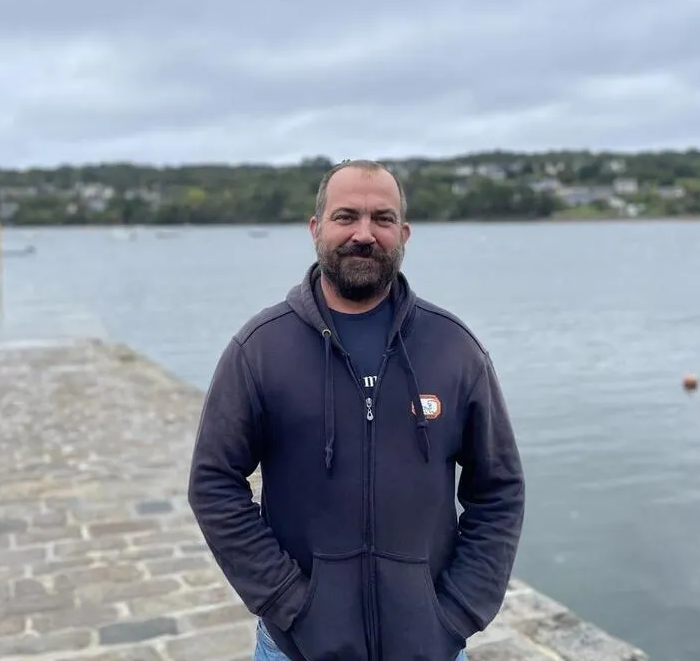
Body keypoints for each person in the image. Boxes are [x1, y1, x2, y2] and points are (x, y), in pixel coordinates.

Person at [187, 159, 526, 661]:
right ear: (316, 227)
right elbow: (214, 483)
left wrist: (457, 612)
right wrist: (291, 603)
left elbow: (498, 490)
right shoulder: (260, 349)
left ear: (404, 233)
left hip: (429, 647)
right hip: (296, 648)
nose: (364, 234)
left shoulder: (453, 349)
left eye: (382, 219)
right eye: (346, 216)